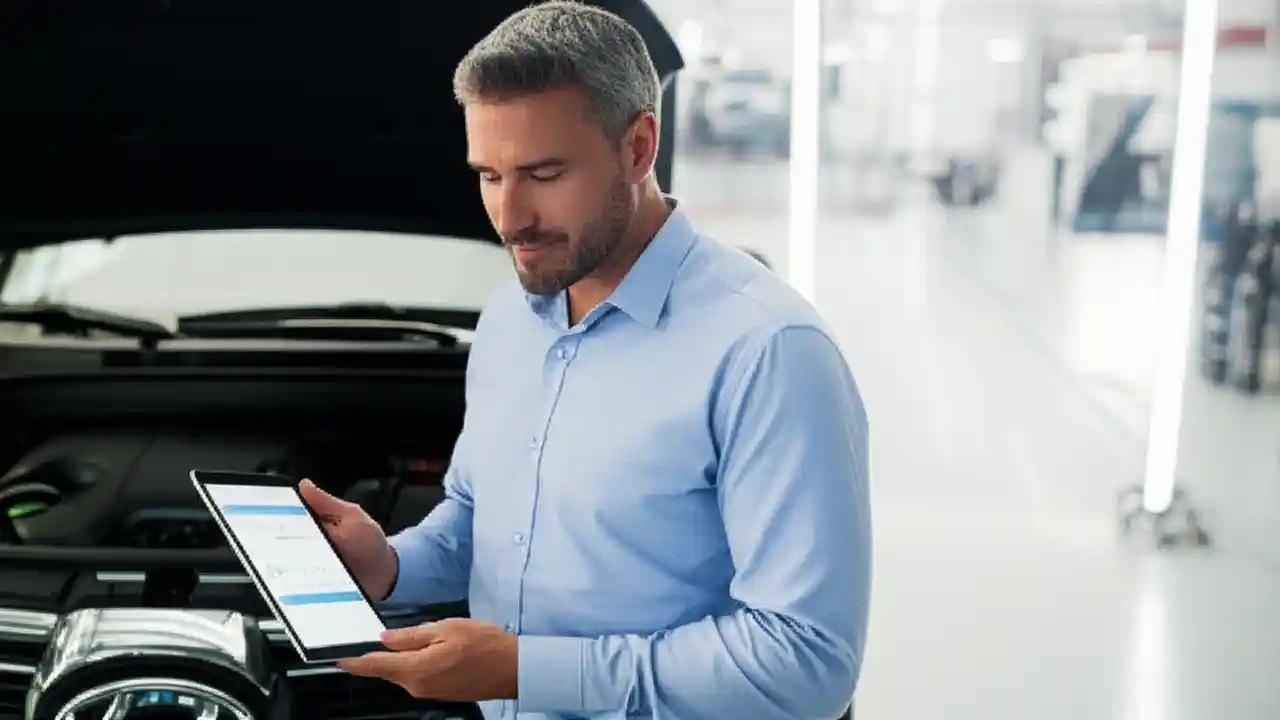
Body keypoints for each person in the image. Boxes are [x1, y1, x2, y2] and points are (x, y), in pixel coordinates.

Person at [298, 2, 871, 718]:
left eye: (543, 173)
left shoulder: (770, 351)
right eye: (488, 175)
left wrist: (526, 670)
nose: (510, 218)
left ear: (639, 148)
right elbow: (484, 521)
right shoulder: (509, 320)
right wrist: (390, 564)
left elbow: (806, 662)